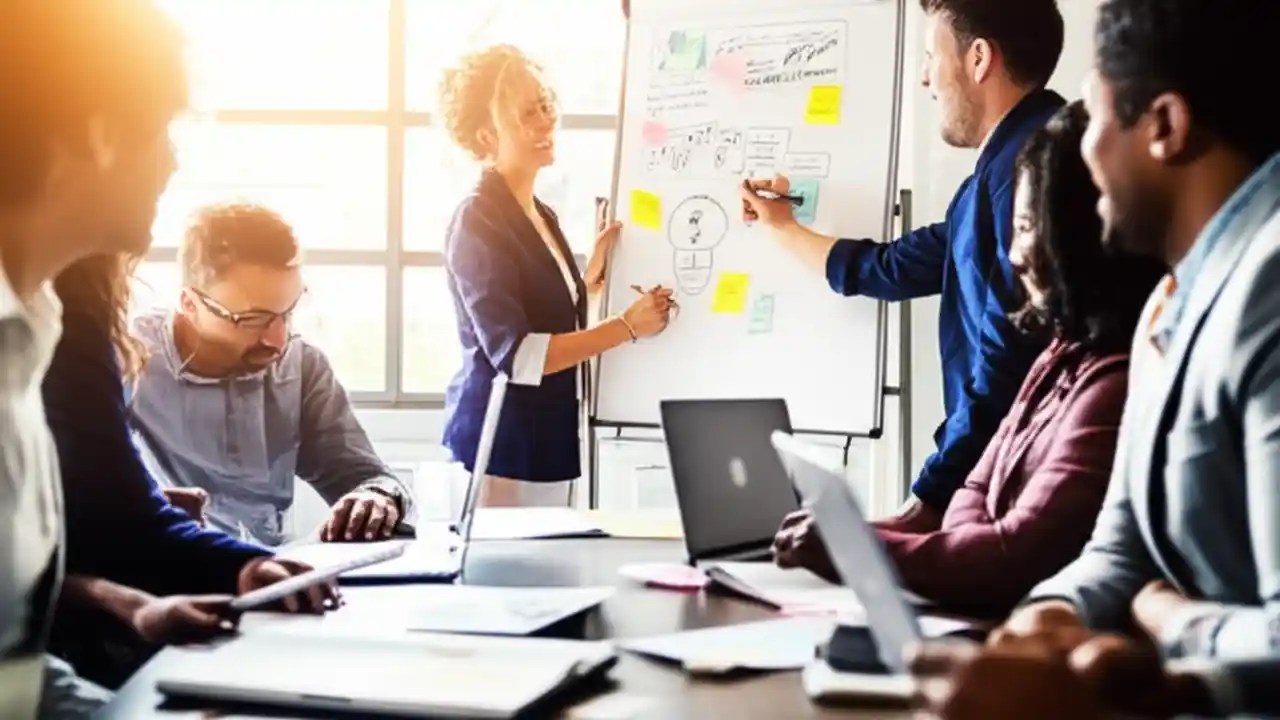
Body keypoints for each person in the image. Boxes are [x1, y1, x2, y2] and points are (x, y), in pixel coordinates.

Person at [909, 0, 1280, 717]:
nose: (1079, 149)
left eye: (1096, 113)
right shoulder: (1169, 302)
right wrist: (1048, 619)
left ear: (1164, 127)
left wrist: (1172, 635)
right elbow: (1120, 553)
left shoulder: (1268, 288)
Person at [0, 1, 328, 715]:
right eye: (165, 127)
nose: (174, 159)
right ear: (100, 132)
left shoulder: (50, 321)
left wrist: (134, 607)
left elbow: (17, 669)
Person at [772, 101, 1167, 616]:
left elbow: (1011, 554)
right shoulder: (1056, 360)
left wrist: (859, 546)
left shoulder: (1113, 382)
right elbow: (974, 495)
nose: (1015, 254)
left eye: (1024, 227)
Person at [740, 0, 1067, 527]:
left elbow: (1007, 363)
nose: (924, 79)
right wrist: (784, 227)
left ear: (978, 58)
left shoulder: (1027, 175)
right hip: (1006, 476)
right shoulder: (1007, 170)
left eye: (929, 55)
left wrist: (929, 500)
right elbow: (890, 267)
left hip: (1018, 487)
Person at [438, 45, 675, 507]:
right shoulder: (478, 220)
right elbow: (520, 354)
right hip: (500, 447)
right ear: (486, 136)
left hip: (542, 441)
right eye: (527, 113)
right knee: (508, 576)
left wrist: (585, 282)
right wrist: (625, 327)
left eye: (545, 104)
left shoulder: (537, 212)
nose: (546, 120)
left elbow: (532, 303)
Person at [129, 202, 415, 546]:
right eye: (252, 319)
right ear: (189, 303)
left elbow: (364, 474)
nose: (278, 341)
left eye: (288, 311)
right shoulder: (128, 356)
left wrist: (377, 496)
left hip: (272, 567)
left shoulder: (302, 364)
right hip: (169, 565)